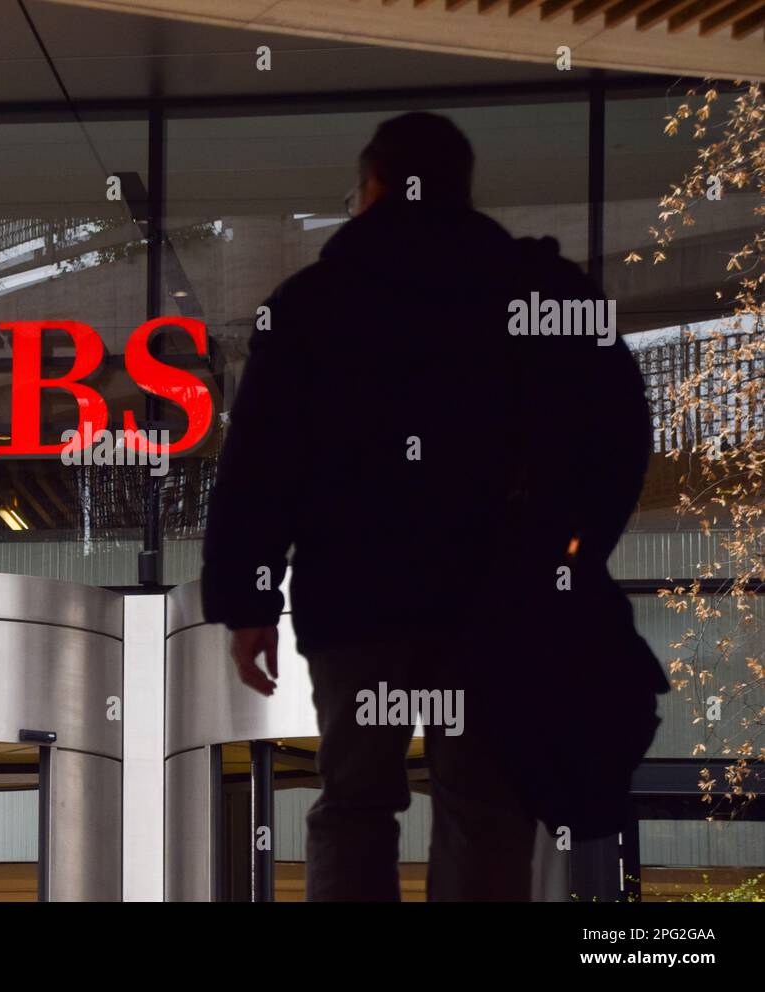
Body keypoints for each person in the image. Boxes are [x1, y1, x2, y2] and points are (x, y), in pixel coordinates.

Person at [199, 112, 660, 901]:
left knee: (355, 800)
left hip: (356, 598)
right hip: (496, 598)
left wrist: (248, 602)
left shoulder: (313, 303)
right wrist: (572, 549)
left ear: (372, 187)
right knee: (485, 803)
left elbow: (262, 462)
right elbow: (618, 432)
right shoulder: (539, 291)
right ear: (462, 187)